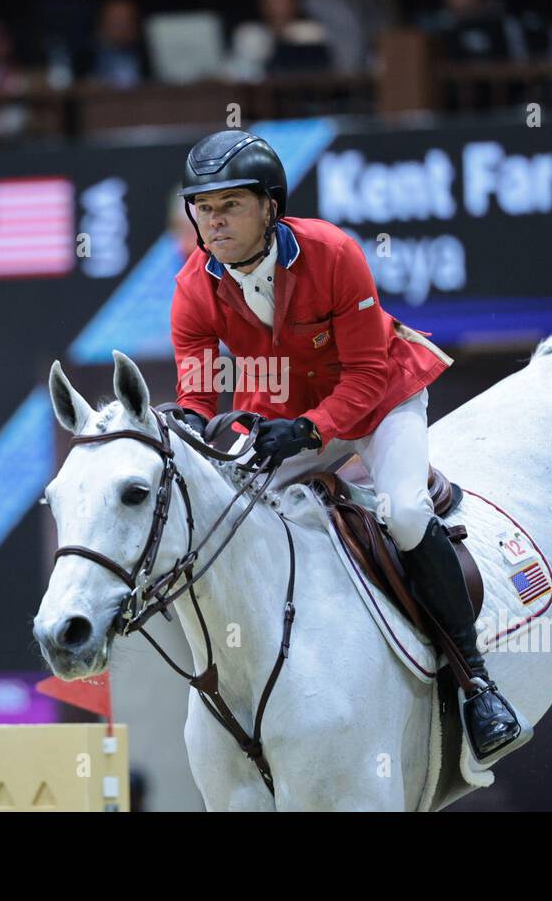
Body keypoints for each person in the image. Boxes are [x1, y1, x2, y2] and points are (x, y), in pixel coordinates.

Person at [169, 129, 522, 759]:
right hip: (287, 419)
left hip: (380, 402)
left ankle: (477, 685)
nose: (213, 222)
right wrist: (193, 427)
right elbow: (197, 393)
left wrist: (307, 430)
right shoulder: (194, 285)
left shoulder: (334, 253)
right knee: (232, 517)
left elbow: (365, 375)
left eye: (230, 207)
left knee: (407, 514)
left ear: (270, 206)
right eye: (203, 208)